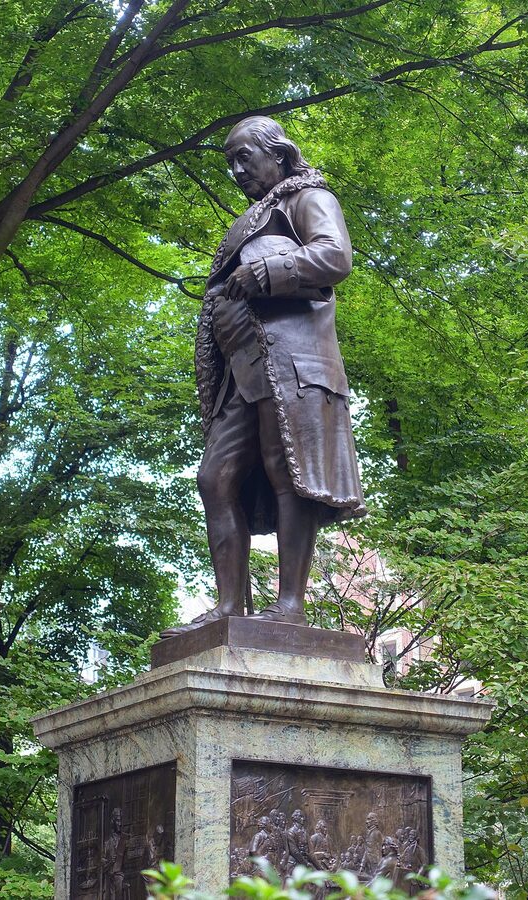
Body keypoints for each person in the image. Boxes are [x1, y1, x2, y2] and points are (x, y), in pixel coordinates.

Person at [163, 116, 364, 636]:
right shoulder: (257, 216)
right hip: (243, 367)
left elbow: (335, 256)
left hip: (293, 362)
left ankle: (290, 605)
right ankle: (231, 605)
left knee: (287, 472)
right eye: (230, 161)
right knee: (215, 478)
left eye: (244, 157)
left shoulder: (307, 197)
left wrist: (269, 272)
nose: (236, 170)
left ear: (278, 153)